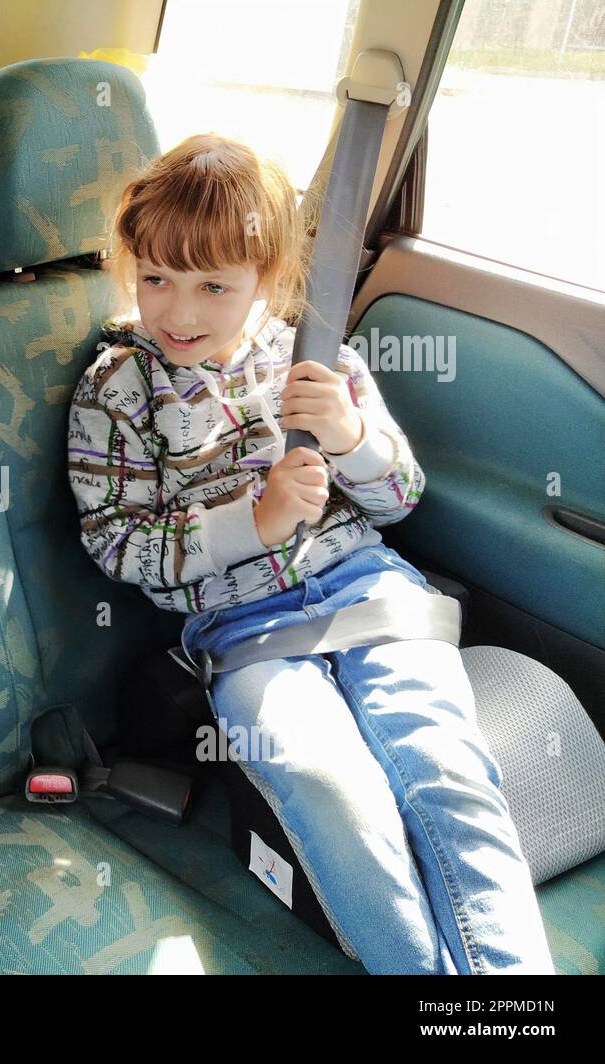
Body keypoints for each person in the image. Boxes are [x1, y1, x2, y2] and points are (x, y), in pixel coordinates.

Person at [66, 134, 555, 974]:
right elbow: (118, 544)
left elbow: (398, 497)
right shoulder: (116, 389)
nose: (178, 313)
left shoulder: (316, 363)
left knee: (447, 777)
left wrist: (351, 438)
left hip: (368, 591)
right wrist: (248, 524)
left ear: (268, 279)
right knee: (336, 790)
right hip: (241, 628)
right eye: (156, 280)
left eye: (213, 286)